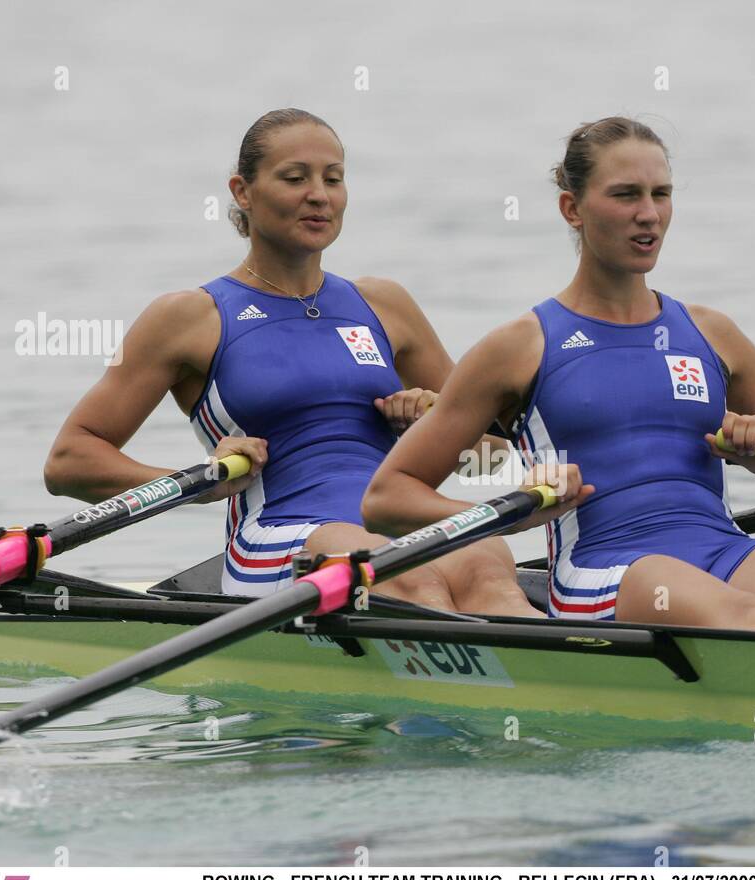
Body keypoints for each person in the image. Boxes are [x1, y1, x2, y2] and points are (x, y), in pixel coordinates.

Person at [362, 116, 755, 643]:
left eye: (660, 194)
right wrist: (515, 516)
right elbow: (387, 499)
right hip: (605, 571)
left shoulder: (713, 333)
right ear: (572, 209)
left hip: (721, 549)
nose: (649, 214)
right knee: (748, 617)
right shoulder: (519, 347)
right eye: (626, 195)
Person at [44, 108, 537, 617]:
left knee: (487, 556)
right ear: (242, 192)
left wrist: (434, 424)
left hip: (386, 528)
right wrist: (200, 482)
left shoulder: (386, 305)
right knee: (401, 572)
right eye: (295, 178)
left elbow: (492, 455)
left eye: (334, 179)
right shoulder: (190, 317)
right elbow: (69, 462)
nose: (319, 195)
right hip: (277, 535)